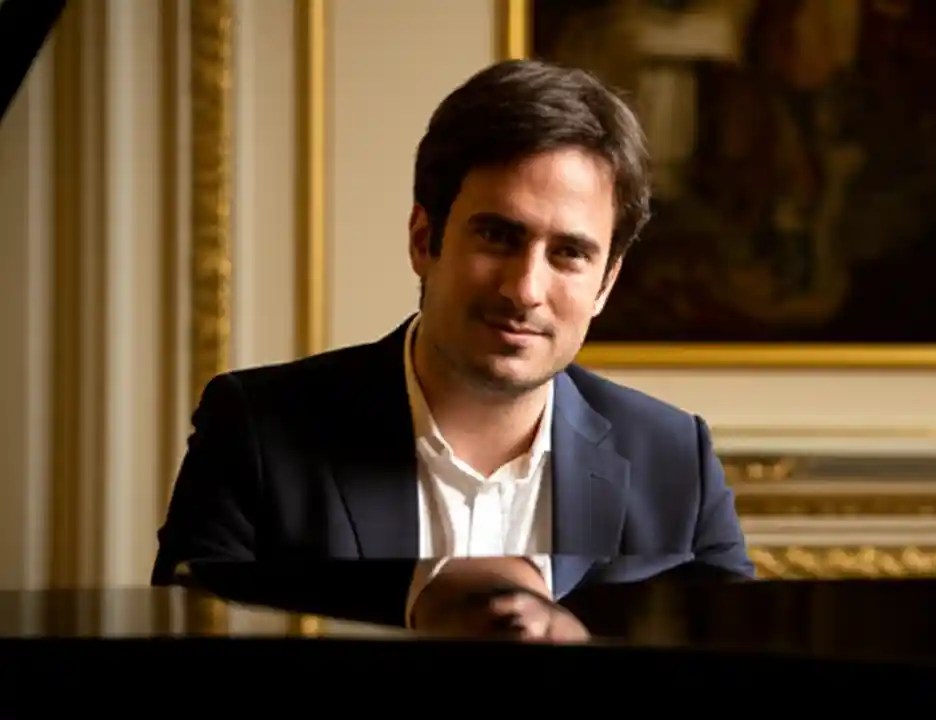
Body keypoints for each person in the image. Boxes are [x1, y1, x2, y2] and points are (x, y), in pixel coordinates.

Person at [151, 59, 755, 641]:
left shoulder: (677, 459)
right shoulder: (256, 428)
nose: (525, 290)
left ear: (606, 282)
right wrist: (430, 592)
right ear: (424, 240)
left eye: (569, 253)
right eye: (497, 236)